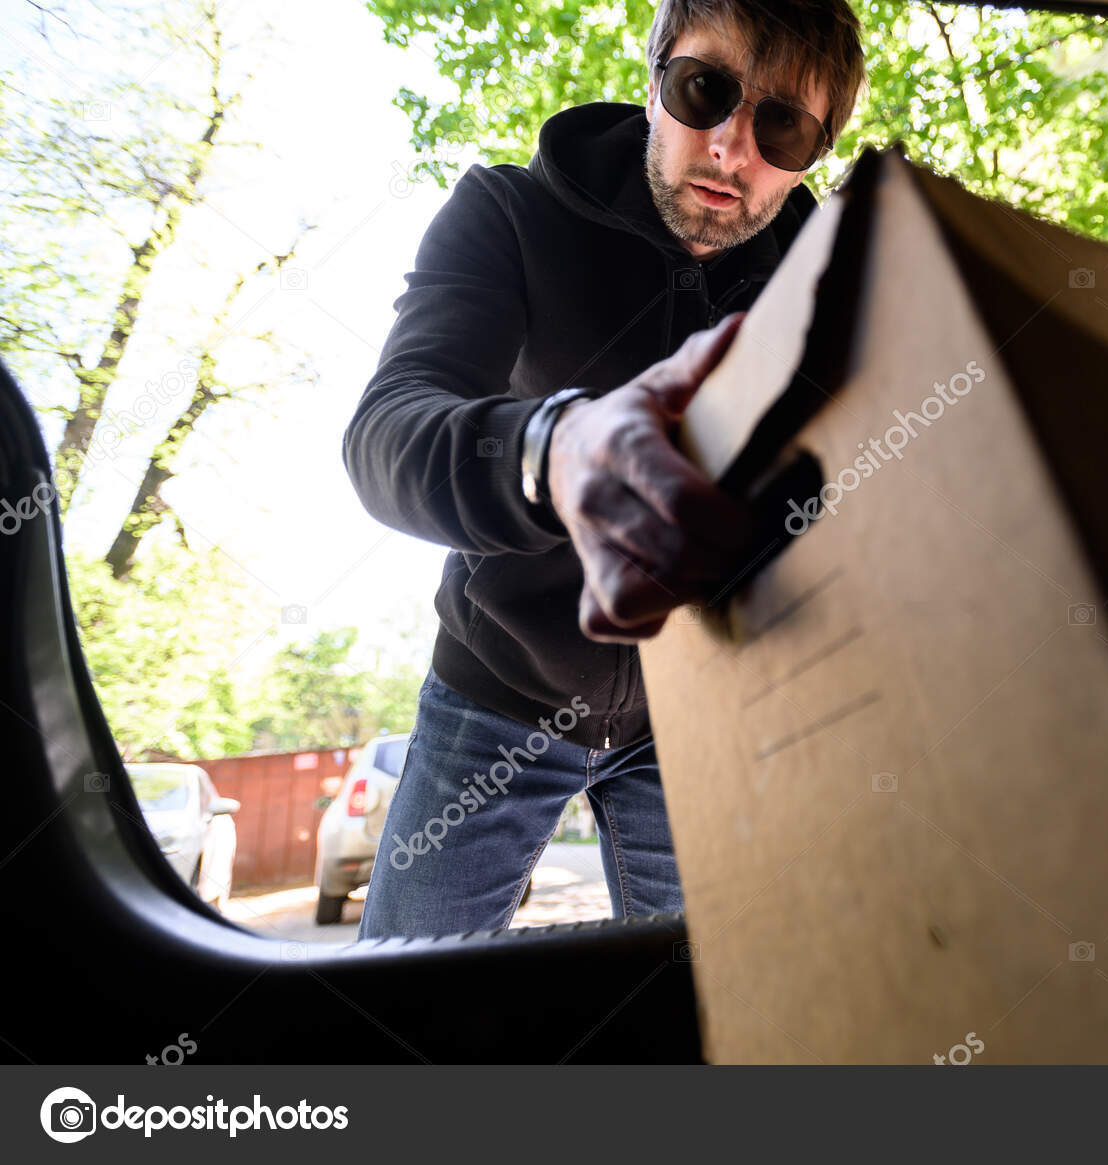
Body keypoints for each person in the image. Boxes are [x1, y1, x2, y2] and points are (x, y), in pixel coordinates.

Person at [344, 0, 866, 938]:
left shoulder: (827, 295)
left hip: (698, 725)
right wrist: (555, 448)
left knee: (710, 1019)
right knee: (400, 1004)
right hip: (495, 691)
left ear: (816, 150)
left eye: (783, 124)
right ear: (657, 72)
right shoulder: (504, 215)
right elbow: (387, 430)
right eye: (706, 90)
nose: (731, 150)